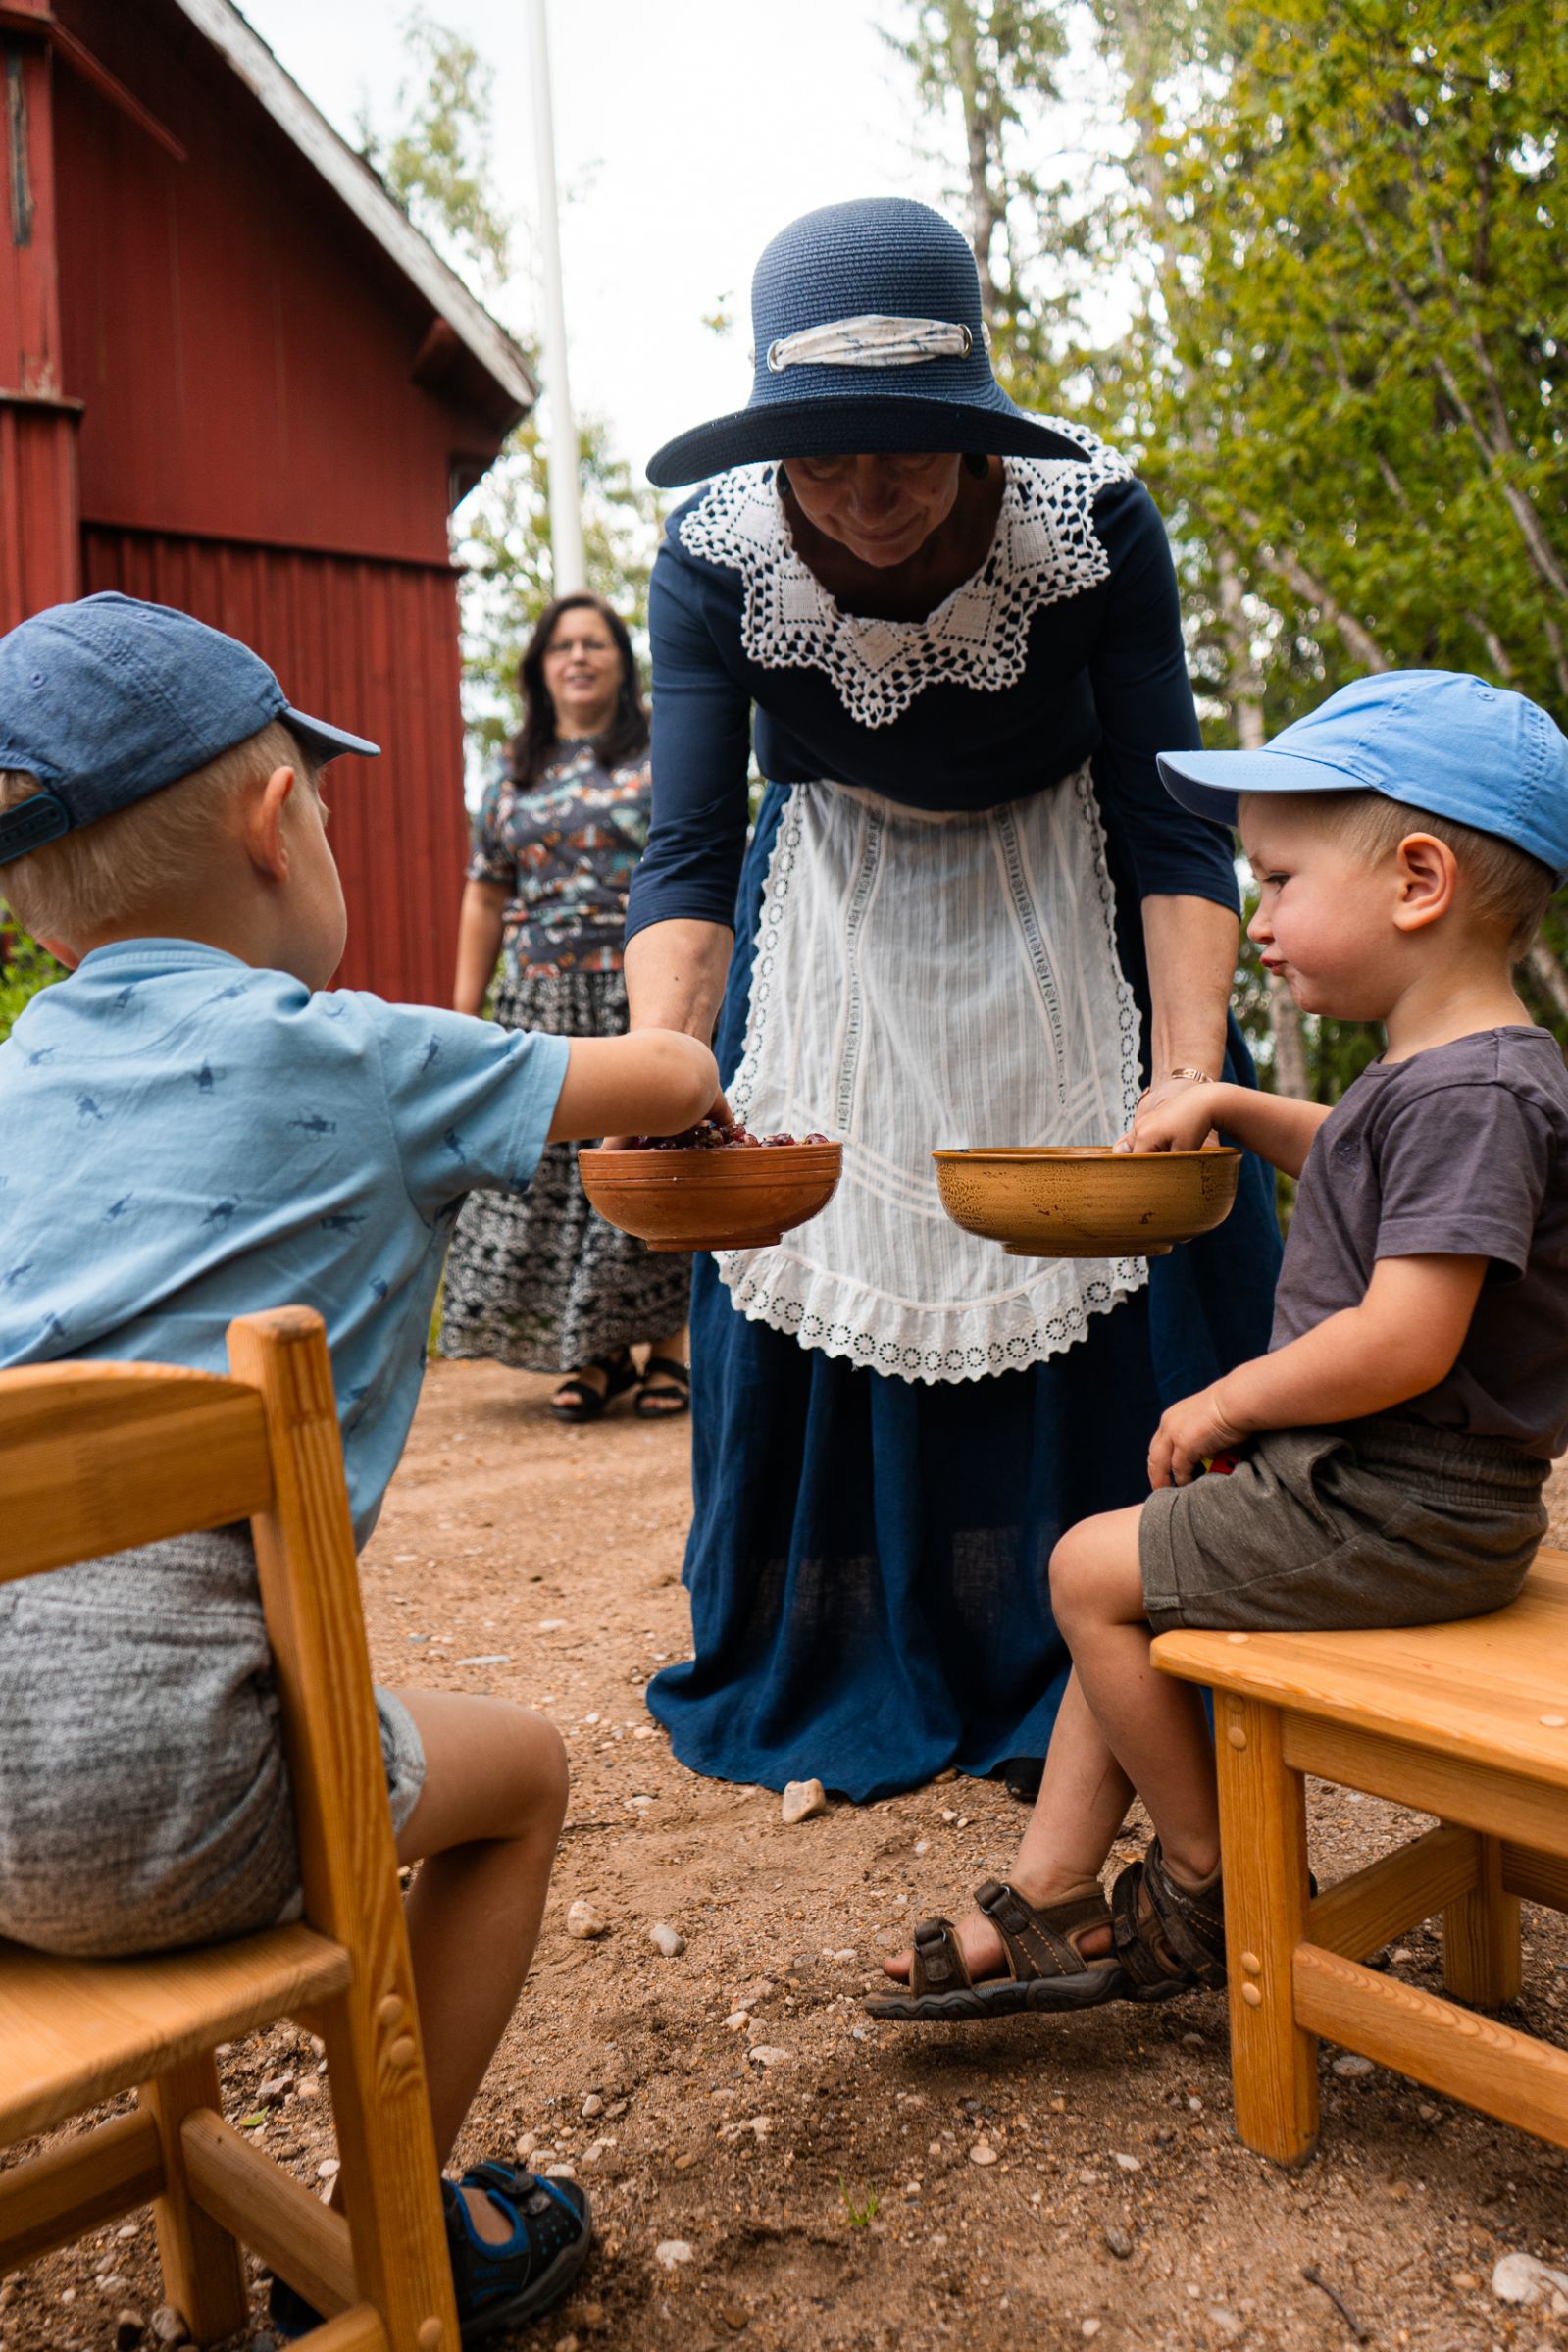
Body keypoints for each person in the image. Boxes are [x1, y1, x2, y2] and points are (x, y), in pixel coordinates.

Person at [0, 594, 717, 2333]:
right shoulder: (368, 1053)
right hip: (191, 1812)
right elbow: (669, 1068)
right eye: (318, 805)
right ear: (272, 822)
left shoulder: (17, 1072)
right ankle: (385, 2212)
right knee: (529, 1772)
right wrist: (684, 1055)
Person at [621, 196, 1283, 1802]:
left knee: (1129, 1251)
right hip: (835, 909)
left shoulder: (1092, 528)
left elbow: (1168, 808)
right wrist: (667, 1078)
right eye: (821, 460)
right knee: (826, 1249)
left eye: (903, 452)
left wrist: (1180, 1074)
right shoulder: (712, 562)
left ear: (976, 429)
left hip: (1057, 892)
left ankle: (1109, 1636)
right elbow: (691, 844)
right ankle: (857, 1644)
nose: (863, 496)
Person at [871, 670, 1568, 2020]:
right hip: (1392, 1496)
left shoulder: (1470, 1088)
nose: (1256, 923)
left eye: (1279, 879)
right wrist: (1242, 1105)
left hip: (1403, 1503)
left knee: (1086, 1566)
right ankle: (1058, 1881)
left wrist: (1229, 1395)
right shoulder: (1457, 1069)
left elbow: (1406, 1335)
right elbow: (1372, 1169)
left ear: (1415, 880)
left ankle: (1201, 1878)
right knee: (1135, 1563)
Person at [441, 593, 691, 1422]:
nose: (577, 657)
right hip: (538, 998)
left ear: (622, 663)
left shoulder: (664, 753)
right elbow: (485, 897)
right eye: (561, 646)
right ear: (539, 667)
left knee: (653, 1163)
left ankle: (671, 1351)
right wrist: (465, 1012)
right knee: (558, 1180)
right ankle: (595, 1351)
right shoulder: (512, 773)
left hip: (639, 995)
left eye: (594, 644)